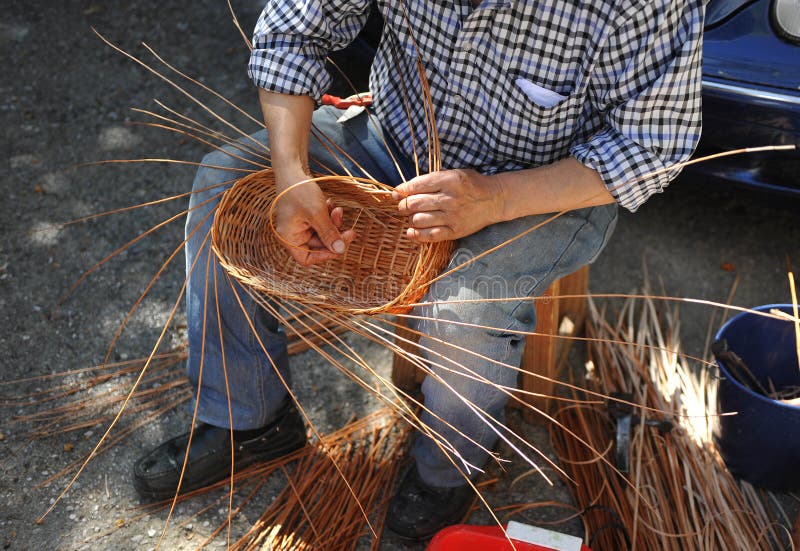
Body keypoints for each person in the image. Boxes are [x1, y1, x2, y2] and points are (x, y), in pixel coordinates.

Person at [133, 0, 704, 541]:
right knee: (224, 188)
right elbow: (293, 28)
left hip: (547, 187)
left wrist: (496, 198)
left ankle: (448, 471)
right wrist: (291, 174)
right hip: (394, 137)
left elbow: (653, 147)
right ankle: (249, 418)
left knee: (464, 309)